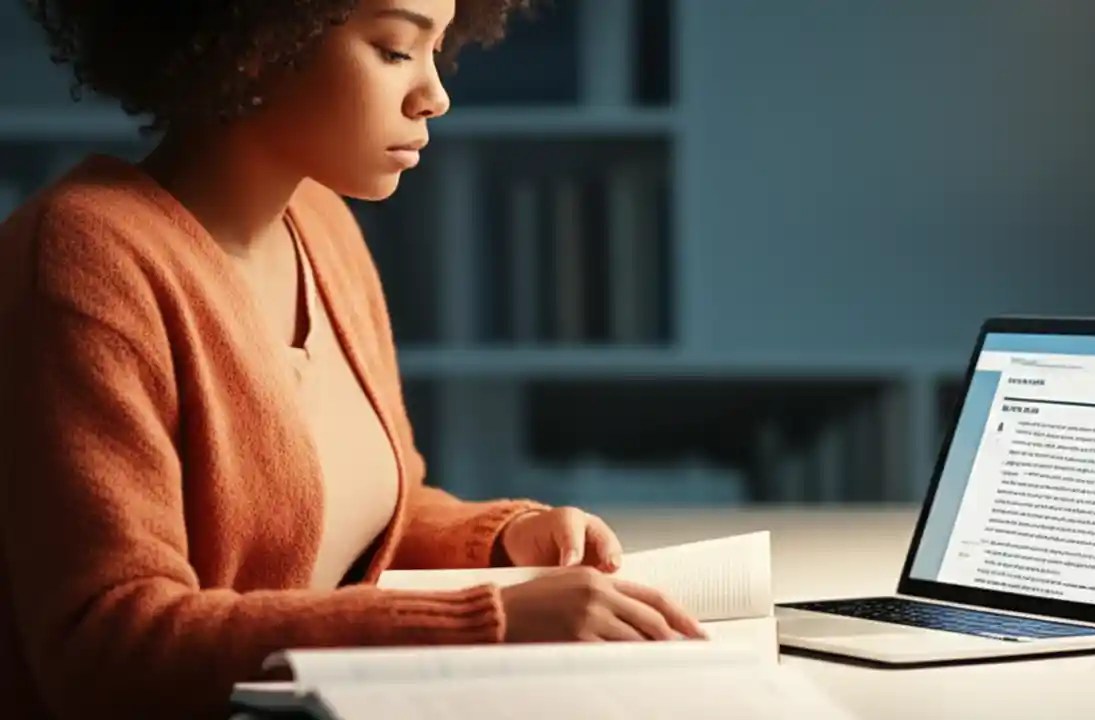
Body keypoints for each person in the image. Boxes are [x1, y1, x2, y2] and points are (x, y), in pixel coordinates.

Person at [0, 1, 704, 718]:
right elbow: (108, 649)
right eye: (396, 50)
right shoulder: (82, 260)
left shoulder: (320, 224)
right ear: (255, 39)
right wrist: (484, 626)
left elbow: (354, 521)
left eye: (438, 50)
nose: (436, 94)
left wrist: (501, 540)